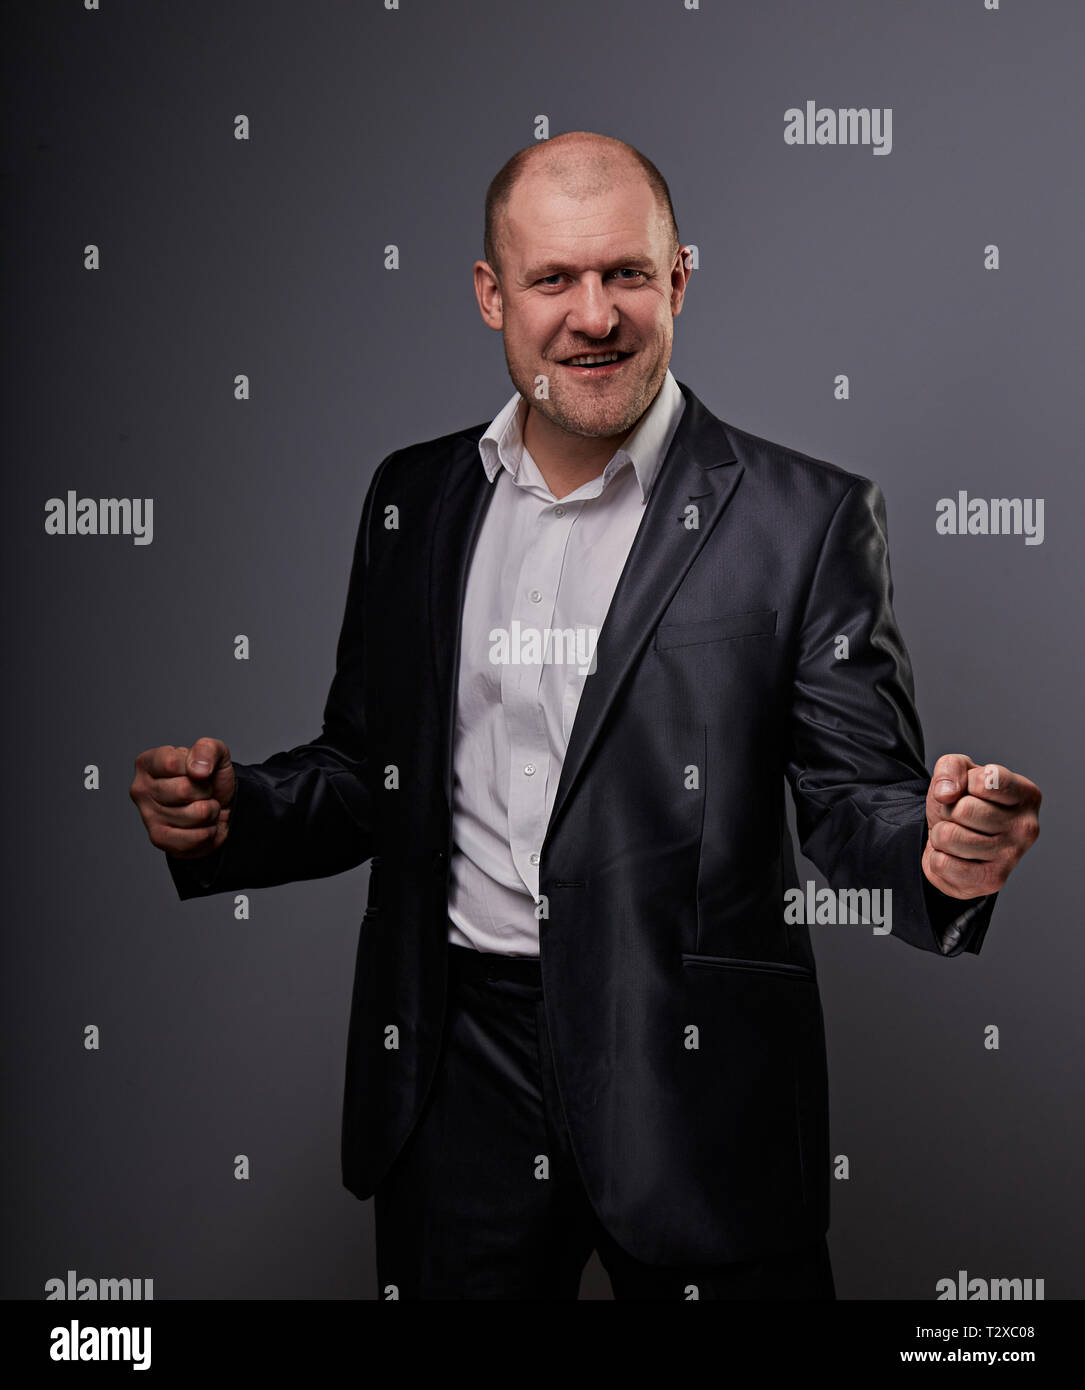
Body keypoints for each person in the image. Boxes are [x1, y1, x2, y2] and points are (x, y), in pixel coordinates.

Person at [129, 131, 1042, 1300]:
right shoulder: (411, 497)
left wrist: (940, 852)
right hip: (455, 1070)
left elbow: (849, 797)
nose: (592, 315)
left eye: (623, 274)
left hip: (693, 1080)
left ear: (677, 281)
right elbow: (370, 767)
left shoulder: (804, 518)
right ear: (489, 295)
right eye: (552, 279)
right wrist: (235, 814)